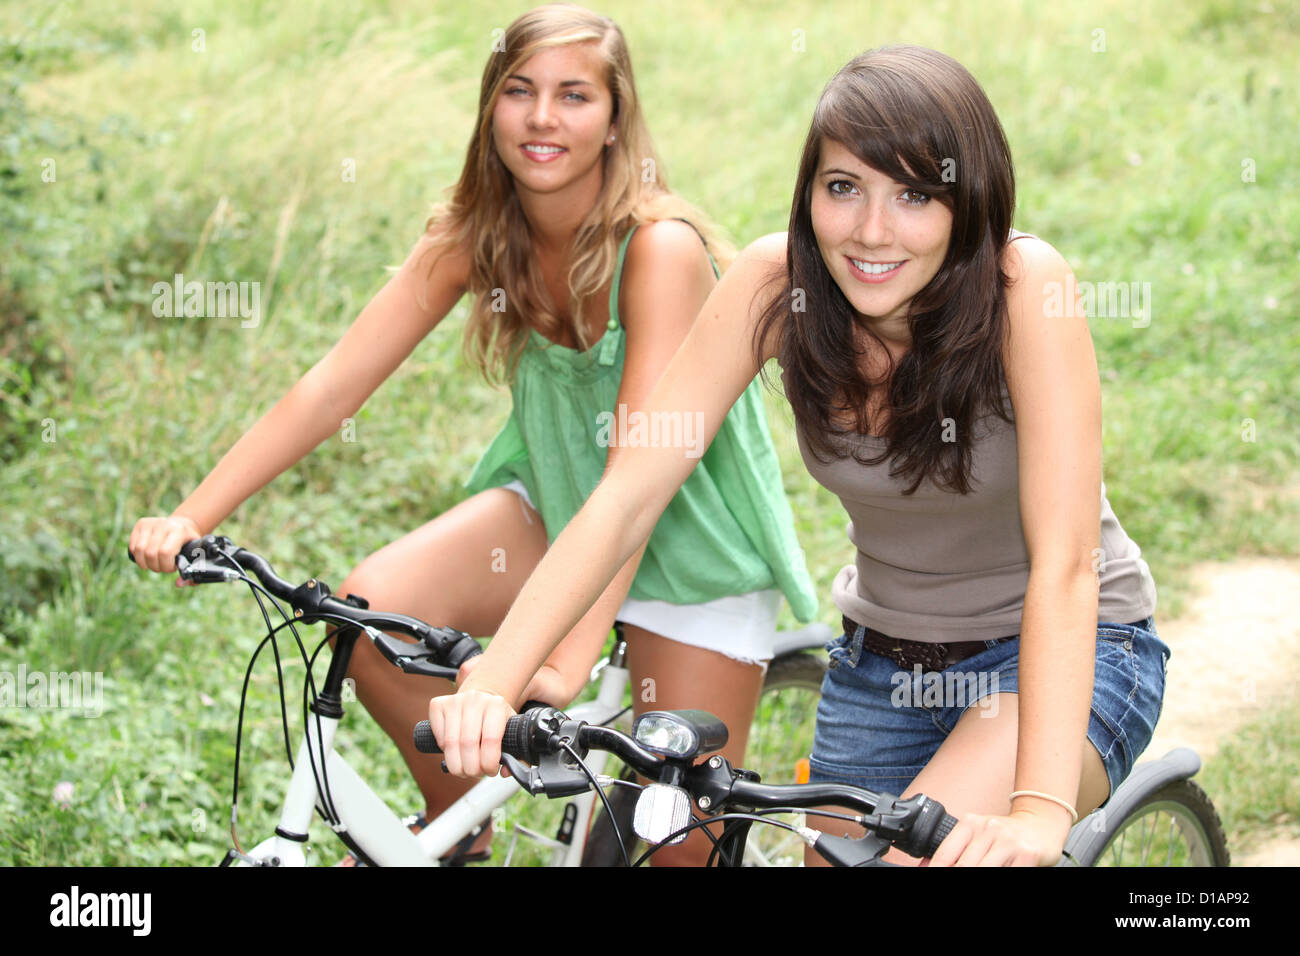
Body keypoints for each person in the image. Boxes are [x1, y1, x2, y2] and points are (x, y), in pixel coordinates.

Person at [429, 44, 1171, 867]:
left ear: (971, 202)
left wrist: (1037, 811)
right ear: (809, 192)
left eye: (916, 195)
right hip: (879, 662)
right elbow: (628, 496)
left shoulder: (1024, 287)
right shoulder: (771, 286)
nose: (871, 231)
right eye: (843, 187)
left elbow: (1067, 564)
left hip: (1058, 654)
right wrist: (497, 676)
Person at [128, 3, 817, 867]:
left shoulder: (659, 249)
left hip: (684, 540)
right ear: (490, 107)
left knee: (679, 844)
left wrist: (559, 664)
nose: (541, 118)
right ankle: (459, 832)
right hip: (556, 509)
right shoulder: (481, 235)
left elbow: (635, 490)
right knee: (373, 617)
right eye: (519, 91)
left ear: (614, 119)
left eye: (575, 96)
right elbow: (333, 387)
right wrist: (193, 516)